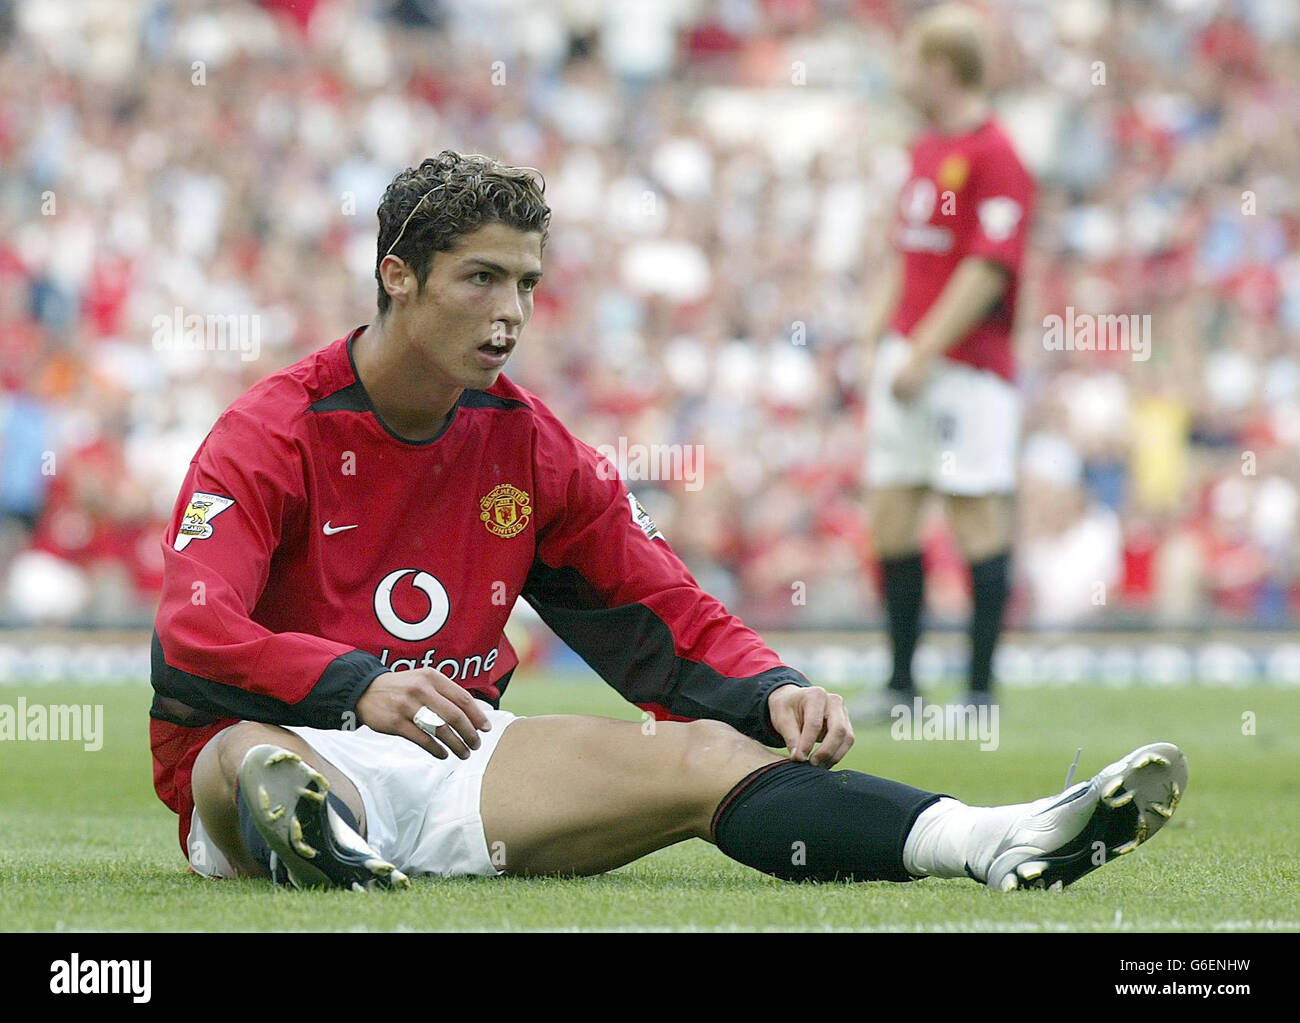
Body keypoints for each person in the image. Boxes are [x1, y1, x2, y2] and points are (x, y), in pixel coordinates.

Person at [149, 151, 1183, 893]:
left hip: (456, 760)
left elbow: (657, 605)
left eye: (527, 283)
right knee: (248, 765)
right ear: (396, 277)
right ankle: (319, 840)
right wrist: (358, 685)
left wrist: (772, 688)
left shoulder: (531, 444)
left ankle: (991, 839)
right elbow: (194, 629)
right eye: (481, 279)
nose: (510, 312)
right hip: (279, 739)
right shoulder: (271, 429)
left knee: (707, 759)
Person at [859, 4, 1035, 719]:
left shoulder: (999, 157)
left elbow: (987, 269)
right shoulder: (925, 149)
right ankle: (902, 686)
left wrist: (924, 348)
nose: (901, 75)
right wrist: (877, 337)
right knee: (892, 517)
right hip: (911, 356)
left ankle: (981, 692)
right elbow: (912, 254)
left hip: (967, 366)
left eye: (909, 62)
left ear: (939, 68)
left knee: (973, 516)